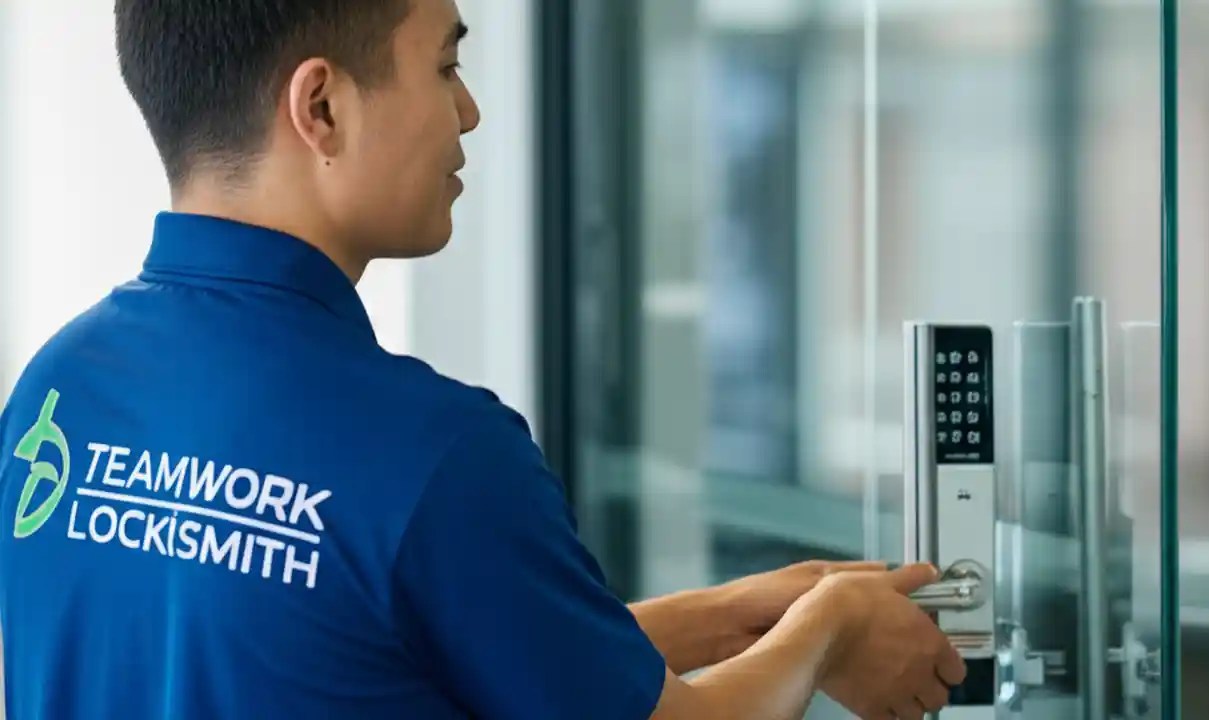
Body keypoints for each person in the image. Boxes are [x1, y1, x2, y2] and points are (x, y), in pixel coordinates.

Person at [0, 1, 965, 718]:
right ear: (322, 107)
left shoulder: (56, 394)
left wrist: (729, 616)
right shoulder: (432, 455)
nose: (468, 115)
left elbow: (365, 650)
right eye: (444, 67)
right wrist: (832, 625)